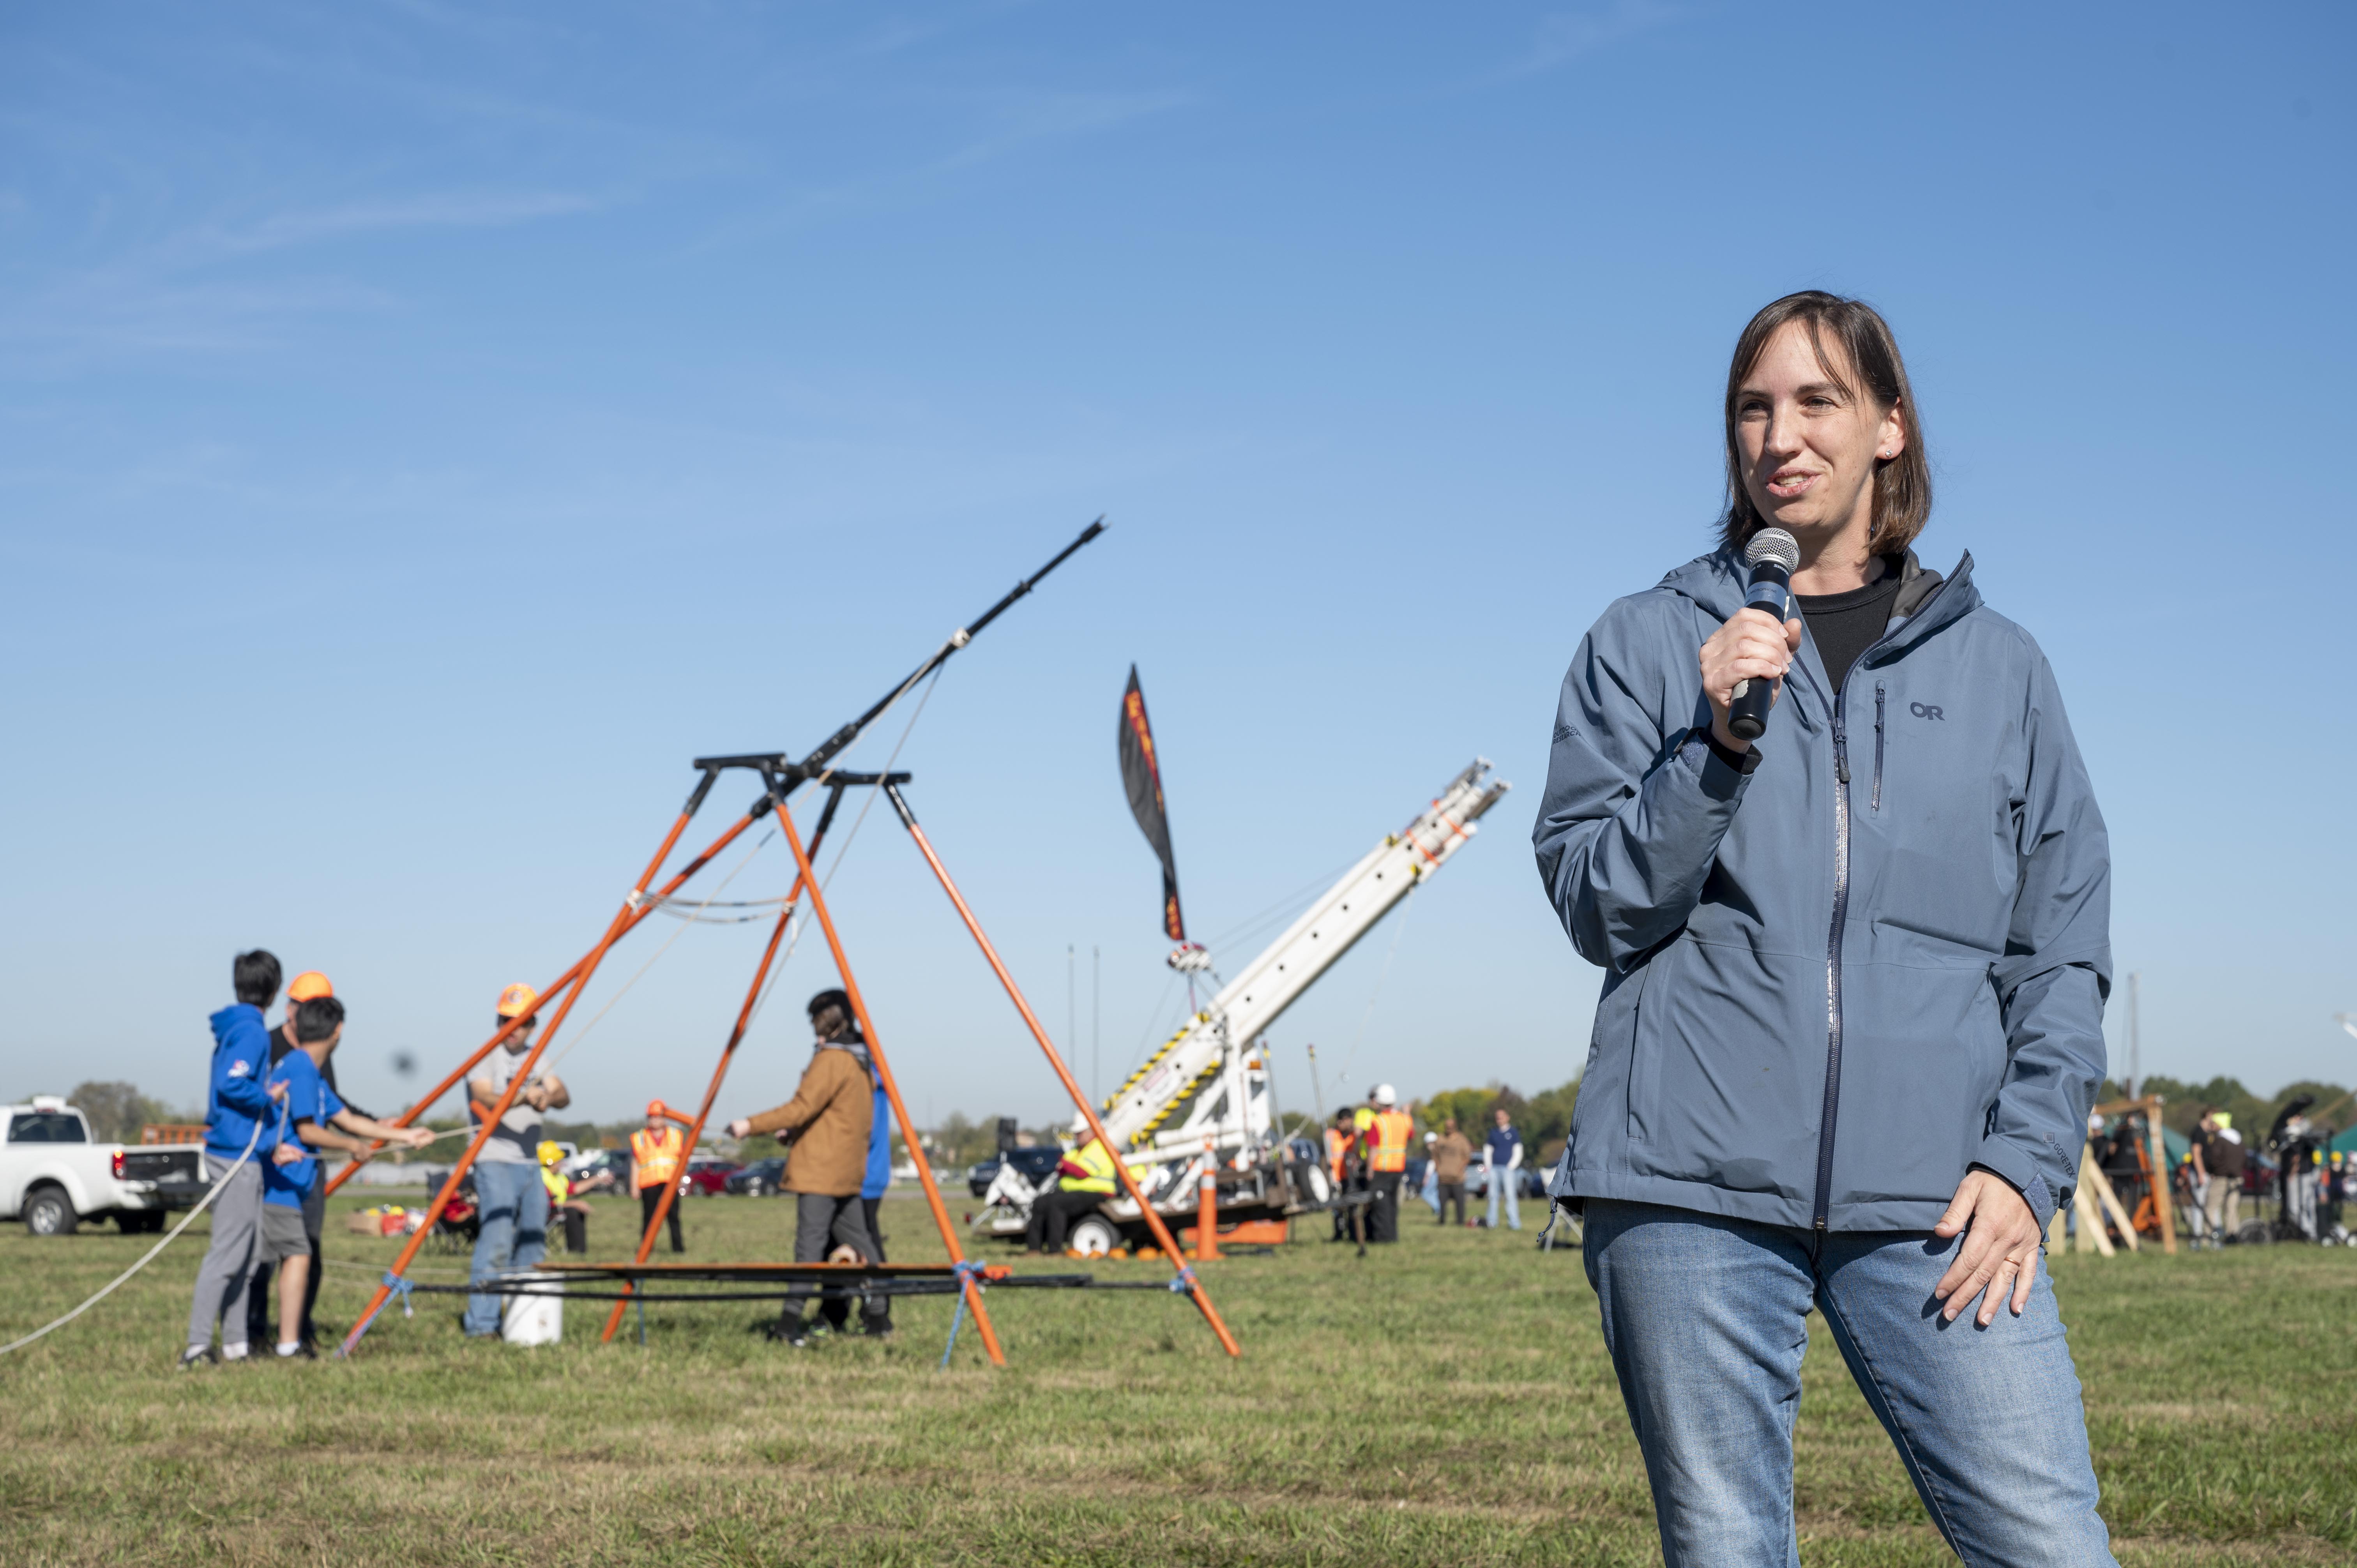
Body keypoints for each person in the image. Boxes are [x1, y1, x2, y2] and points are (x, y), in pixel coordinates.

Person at [1532, 292, 2116, 1563]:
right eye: (1751, 406)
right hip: (1681, 1187)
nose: (1776, 436)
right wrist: (1713, 745)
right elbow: (1596, 903)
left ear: (1888, 428)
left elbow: (2059, 947)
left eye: (1815, 401)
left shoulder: (2001, 668)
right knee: (1726, 1548)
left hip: (1936, 1198)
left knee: (2046, 1542)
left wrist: (2022, 1162)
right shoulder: (1643, 642)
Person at [261, 996, 432, 1357]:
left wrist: (406, 1135)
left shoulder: (308, 1070)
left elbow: (348, 1119)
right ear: (338, 1031)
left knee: (289, 1258)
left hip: (294, 1187)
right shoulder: (303, 1069)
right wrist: (352, 1147)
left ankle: (272, 1339)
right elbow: (308, 1131)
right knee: (293, 1257)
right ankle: (286, 1343)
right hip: (279, 1187)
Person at [727, 990, 880, 1347]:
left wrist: (750, 1125)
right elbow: (833, 1117)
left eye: (816, 1020)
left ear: (827, 1020)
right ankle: (879, 1316)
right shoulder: (860, 1061)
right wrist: (794, 1133)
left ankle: (787, 1324)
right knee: (862, 1243)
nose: (814, 1028)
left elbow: (802, 1107)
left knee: (808, 1249)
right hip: (845, 1169)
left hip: (822, 1173)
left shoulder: (832, 1059)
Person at [183, 950, 286, 1368]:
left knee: (248, 1254)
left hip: (247, 1153)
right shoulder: (252, 1032)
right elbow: (233, 1082)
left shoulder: (242, 1027)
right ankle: (196, 1347)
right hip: (234, 1156)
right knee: (228, 1253)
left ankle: (236, 1344)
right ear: (274, 990)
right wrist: (269, 1095)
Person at [247, 970, 357, 1352]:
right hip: (277, 1174)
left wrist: (380, 1127)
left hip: (306, 1173)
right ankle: (260, 1333)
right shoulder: (280, 1051)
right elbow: (307, 1126)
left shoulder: (315, 1055)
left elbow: (332, 1103)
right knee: (271, 1258)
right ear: (291, 1008)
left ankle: (297, 1328)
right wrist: (351, 1145)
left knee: (307, 1250)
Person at [462, 983, 571, 1338]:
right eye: (507, 1021)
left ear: (533, 1026)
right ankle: (482, 1325)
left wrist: (548, 1097)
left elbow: (564, 1094)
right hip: (493, 1160)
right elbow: (484, 1096)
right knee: (496, 1241)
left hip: (529, 1164)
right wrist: (526, 1098)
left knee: (533, 1241)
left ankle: (525, 1323)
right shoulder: (486, 1056)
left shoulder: (537, 1057)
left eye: (521, 1023)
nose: (513, 1029)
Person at [854, 1071, 896, 1338]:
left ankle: (877, 1314)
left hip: (861, 1175)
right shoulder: (876, 1079)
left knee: (864, 1244)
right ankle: (873, 1313)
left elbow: (861, 1129)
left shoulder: (864, 1079)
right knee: (863, 1241)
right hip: (873, 1172)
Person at [630, 1100, 690, 1255]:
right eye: (652, 1117)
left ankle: (678, 1249)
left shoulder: (676, 1135)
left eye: (658, 1117)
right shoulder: (639, 1137)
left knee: (674, 1217)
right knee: (649, 1218)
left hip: (671, 1183)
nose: (655, 1120)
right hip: (649, 1183)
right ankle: (646, 1249)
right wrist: (634, 1187)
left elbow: (683, 1161)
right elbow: (636, 1163)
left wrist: (682, 1182)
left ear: (665, 1118)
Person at [1363, 1084, 1412, 1243]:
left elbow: (1373, 1148)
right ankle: (1392, 1236)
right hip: (1398, 1168)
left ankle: (1383, 1238)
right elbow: (1411, 1135)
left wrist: (1370, 1169)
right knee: (1392, 1205)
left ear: (1379, 1102)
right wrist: (1408, 1114)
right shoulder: (1404, 1119)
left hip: (1382, 1168)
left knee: (1379, 1204)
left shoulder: (1378, 1121)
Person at [2193, 1109, 2244, 1242]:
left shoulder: (2220, 1140)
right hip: (2237, 1178)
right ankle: (2232, 1235)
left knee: (2210, 1207)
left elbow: (2214, 1159)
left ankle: (2209, 1236)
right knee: (2231, 1208)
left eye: (2214, 1123)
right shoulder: (2238, 1140)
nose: (2212, 1126)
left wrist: (2213, 1172)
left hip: (2221, 1178)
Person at [541, 1141, 593, 1255]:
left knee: (576, 1210)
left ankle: (579, 1250)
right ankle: (576, 1250)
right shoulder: (541, 1176)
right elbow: (548, 1203)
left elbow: (575, 1188)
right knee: (573, 1211)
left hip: (557, 1209)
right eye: (558, 1160)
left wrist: (597, 1179)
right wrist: (575, 1204)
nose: (561, 1163)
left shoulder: (559, 1176)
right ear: (551, 1162)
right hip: (545, 1212)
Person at [1484, 1107, 1524, 1232]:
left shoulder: (1513, 1133)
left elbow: (1518, 1151)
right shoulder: (1493, 1133)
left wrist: (1511, 1166)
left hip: (1508, 1170)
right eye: (1497, 1117)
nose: (1499, 1119)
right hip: (1494, 1169)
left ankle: (1514, 1223)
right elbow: (1488, 1150)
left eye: (1502, 1117)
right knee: (1492, 1196)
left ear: (1507, 1117)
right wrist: (1489, 1167)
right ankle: (1491, 1222)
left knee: (1510, 1196)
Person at [1430, 1118, 1473, 1227]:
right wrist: (1438, 1168)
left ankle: (1460, 1222)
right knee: (1442, 1203)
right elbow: (1435, 1155)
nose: (1449, 1128)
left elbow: (1467, 1157)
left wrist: (1459, 1170)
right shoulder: (1440, 1139)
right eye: (1447, 1126)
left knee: (1460, 1203)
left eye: (1451, 1126)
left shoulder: (1462, 1140)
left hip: (1457, 1179)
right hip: (1443, 1178)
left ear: (1455, 1126)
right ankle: (1442, 1222)